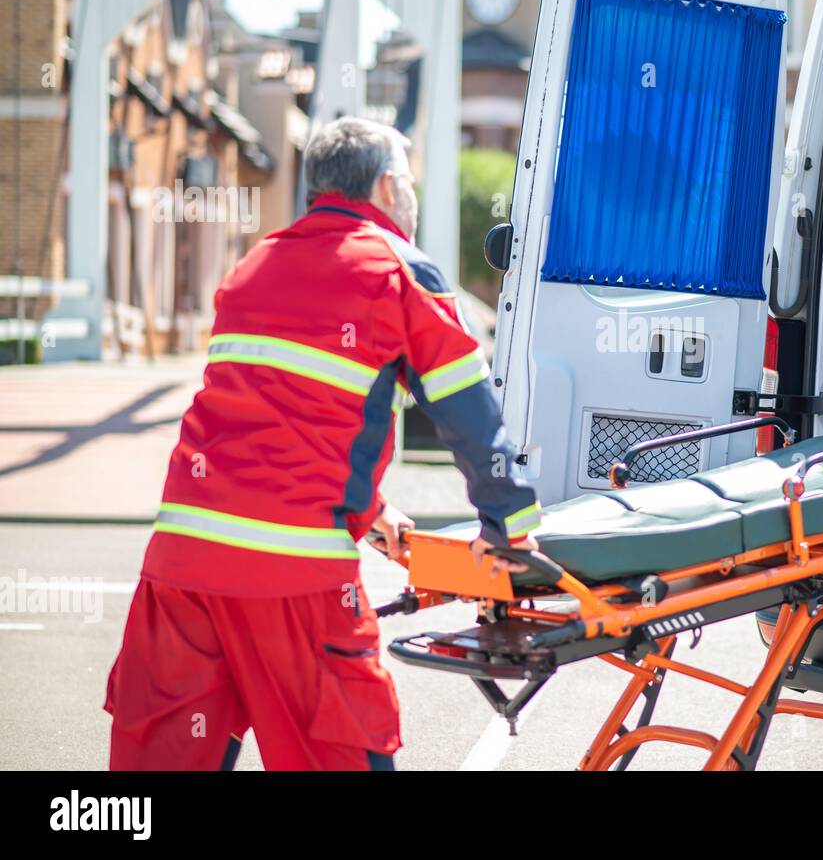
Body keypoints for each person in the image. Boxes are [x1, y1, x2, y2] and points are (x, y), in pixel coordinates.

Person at [105, 117, 541, 770]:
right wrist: (510, 524)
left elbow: (270, 426)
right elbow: (471, 417)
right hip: (296, 583)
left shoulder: (254, 265)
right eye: (412, 183)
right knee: (340, 752)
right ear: (389, 187)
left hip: (182, 569)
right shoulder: (397, 270)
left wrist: (373, 512)